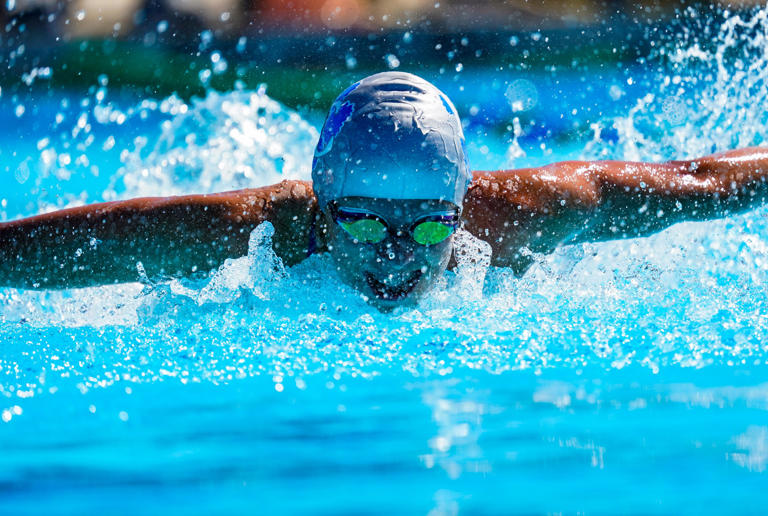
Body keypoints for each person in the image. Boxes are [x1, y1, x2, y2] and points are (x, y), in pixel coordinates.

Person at [1, 71, 767, 309]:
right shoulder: (258, 233)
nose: (399, 257)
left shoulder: (525, 217)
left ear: (460, 210)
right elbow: (63, 247)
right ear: (324, 207)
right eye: (365, 226)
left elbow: (695, 182)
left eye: (431, 228)